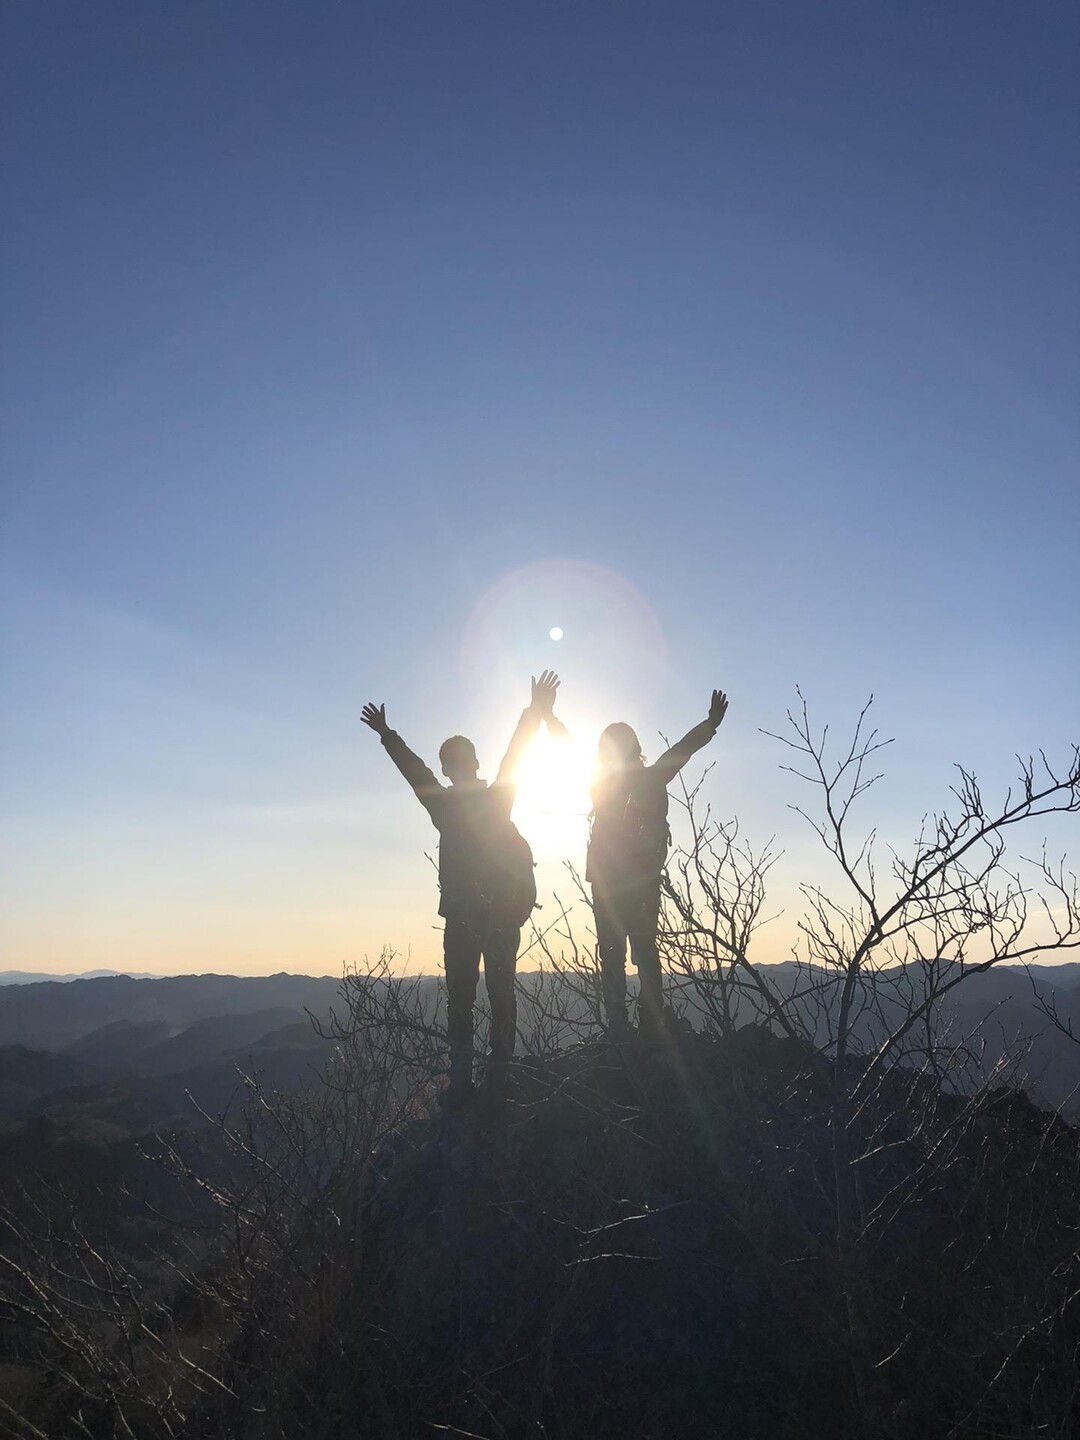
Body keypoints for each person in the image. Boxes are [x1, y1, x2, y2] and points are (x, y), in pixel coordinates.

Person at [361, 672, 565, 1105]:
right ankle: (498, 1074)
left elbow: (414, 772)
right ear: (473, 763)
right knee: (500, 993)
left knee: (462, 1000)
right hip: (500, 914)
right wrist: (532, 712)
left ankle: (462, 1082)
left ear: (450, 769)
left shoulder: (445, 807)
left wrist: (387, 736)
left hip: (463, 915)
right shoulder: (498, 798)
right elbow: (515, 754)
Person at [587, 688, 729, 1038]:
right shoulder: (644, 779)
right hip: (639, 880)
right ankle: (650, 1019)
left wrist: (709, 726)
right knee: (644, 950)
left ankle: (622, 1025)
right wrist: (709, 725)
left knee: (615, 953)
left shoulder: (600, 786)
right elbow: (681, 752)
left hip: (610, 881)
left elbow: (682, 750)